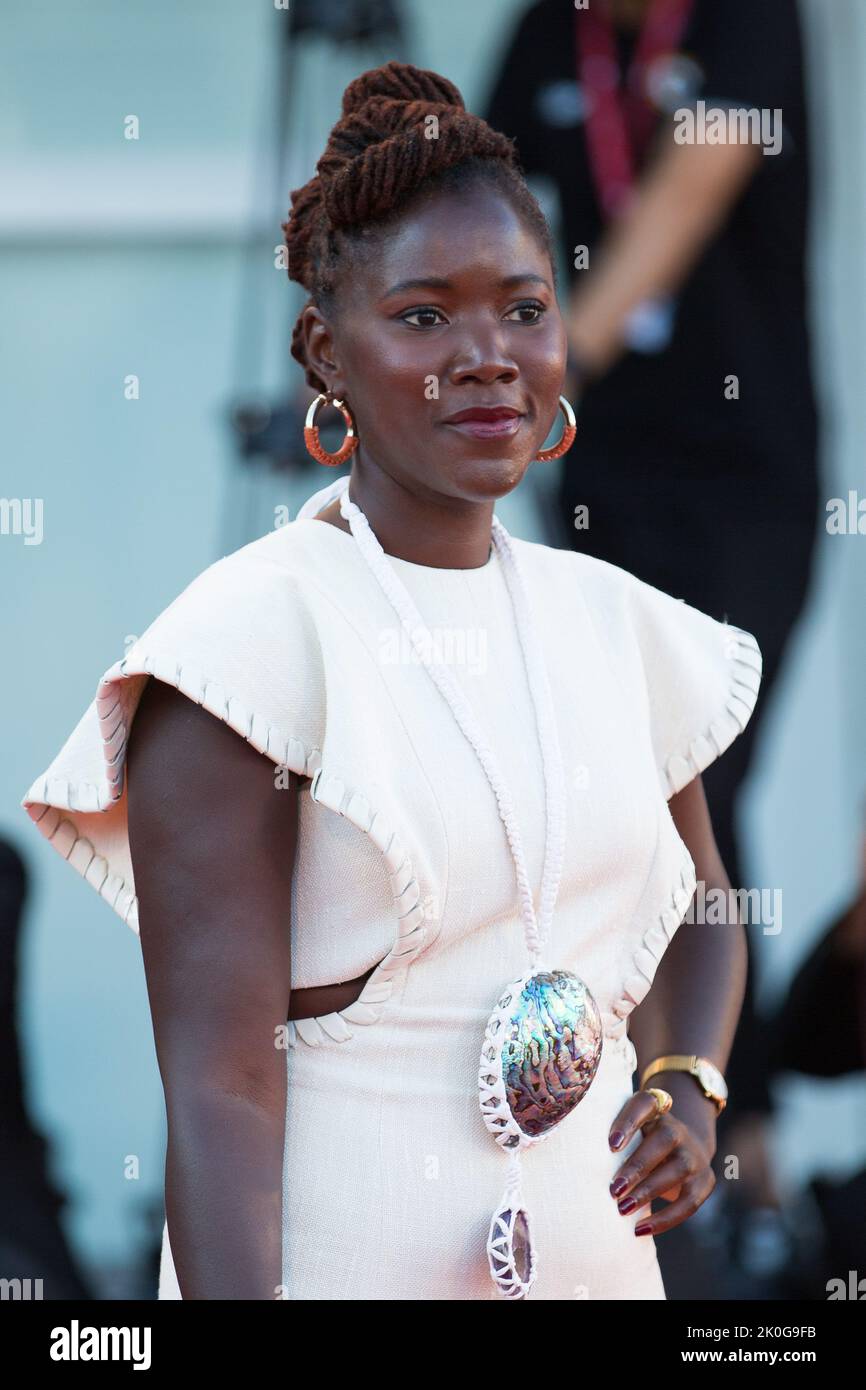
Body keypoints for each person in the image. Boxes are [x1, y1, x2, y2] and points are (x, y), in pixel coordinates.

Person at [21, 60, 763, 1301]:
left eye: (522, 310)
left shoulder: (615, 624)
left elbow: (701, 905)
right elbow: (220, 1089)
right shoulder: (247, 647)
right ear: (325, 354)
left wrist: (685, 1081)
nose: (485, 355)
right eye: (422, 316)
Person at [484, 0, 820, 1184]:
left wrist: (538, 364)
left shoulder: (747, 19)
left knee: (703, 782)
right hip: (600, 478)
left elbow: (687, 187)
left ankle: (733, 1137)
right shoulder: (549, 30)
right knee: (609, 792)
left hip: (744, 480)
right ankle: (625, 1134)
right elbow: (477, 191)